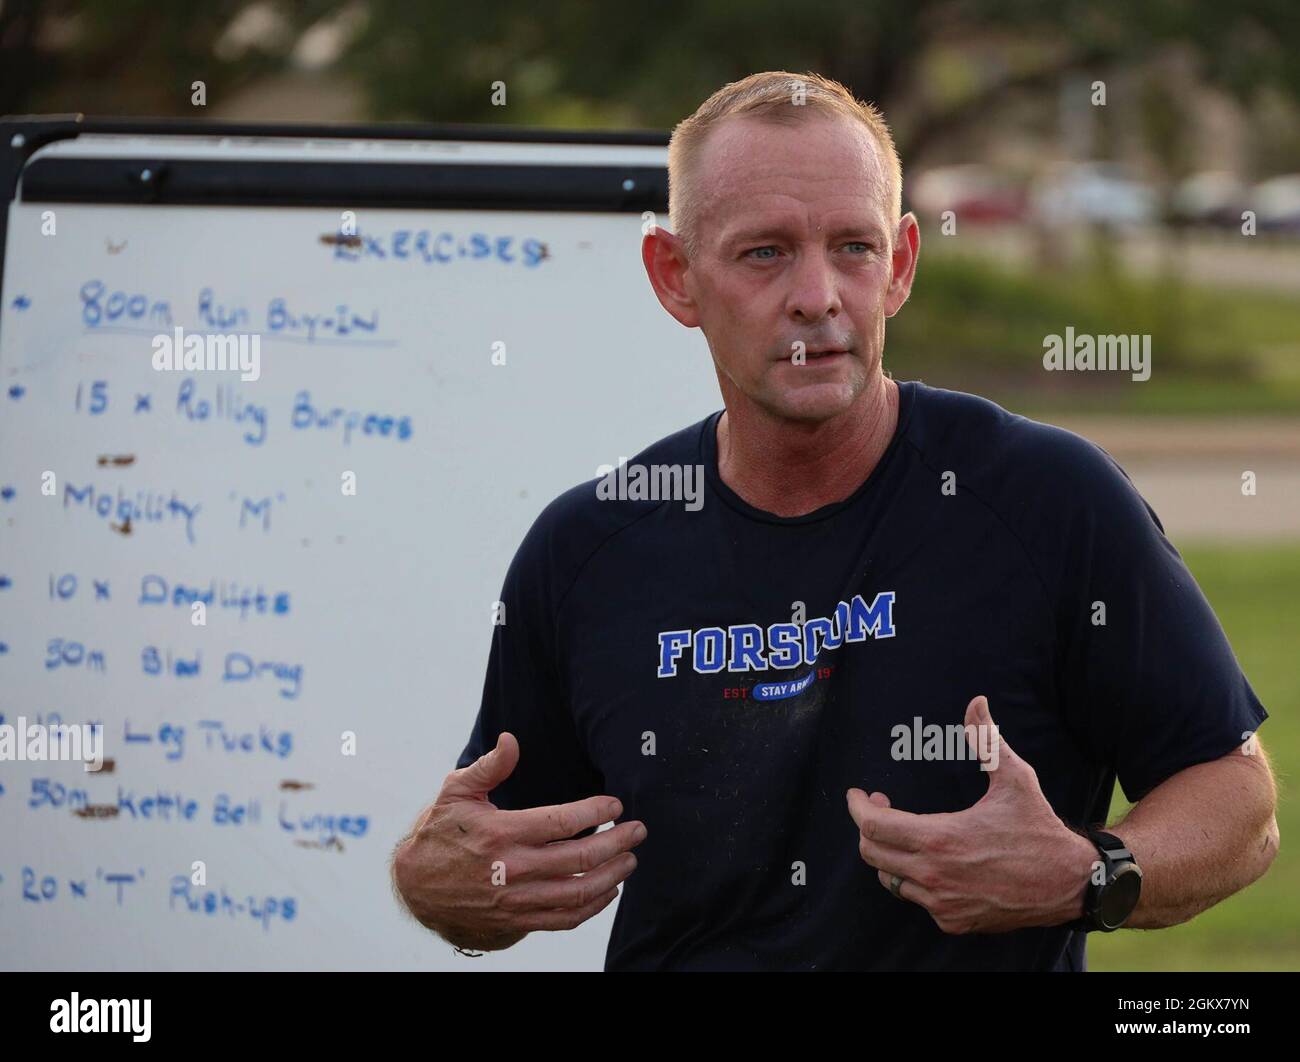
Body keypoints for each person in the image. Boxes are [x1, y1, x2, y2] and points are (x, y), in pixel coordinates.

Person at [392, 71, 1278, 971]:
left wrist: (1086, 876)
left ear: (898, 265)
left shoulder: (1050, 501)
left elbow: (1237, 801)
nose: (817, 295)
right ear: (675, 276)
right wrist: (435, 886)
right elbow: (484, 877)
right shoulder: (589, 548)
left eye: (852, 248)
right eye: (765, 253)